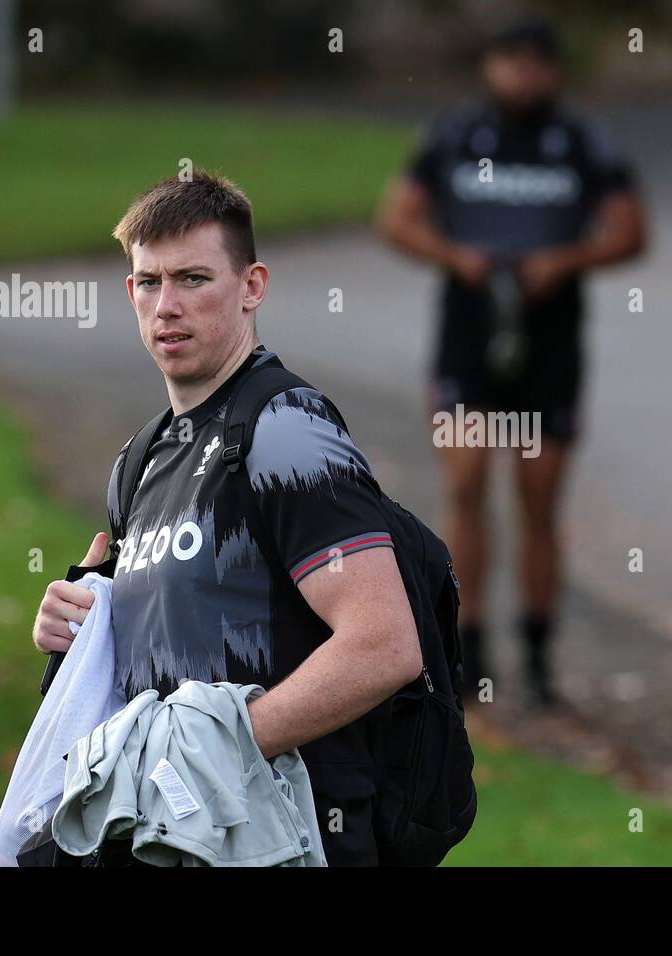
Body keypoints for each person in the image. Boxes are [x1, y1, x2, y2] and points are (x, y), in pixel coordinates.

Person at [31, 170, 424, 864]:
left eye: (192, 279)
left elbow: (385, 644)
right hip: (174, 834)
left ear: (252, 287)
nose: (167, 306)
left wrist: (221, 751)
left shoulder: (286, 428)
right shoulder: (142, 458)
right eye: (149, 283)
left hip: (286, 831)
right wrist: (80, 627)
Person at [377, 17, 646, 708]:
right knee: (466, 485)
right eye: (509, 63)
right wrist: (457, 256)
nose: (521, 77)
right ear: (491, 67)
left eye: (534, 65)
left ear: (553, 71)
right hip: (470, 337)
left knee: (538, 498)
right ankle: (468, 647)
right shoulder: (457, 135)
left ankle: (537, 653)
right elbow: (398, 219)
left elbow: (628, 230)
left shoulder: (579, 142)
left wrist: (566, 260)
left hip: (549, 343)